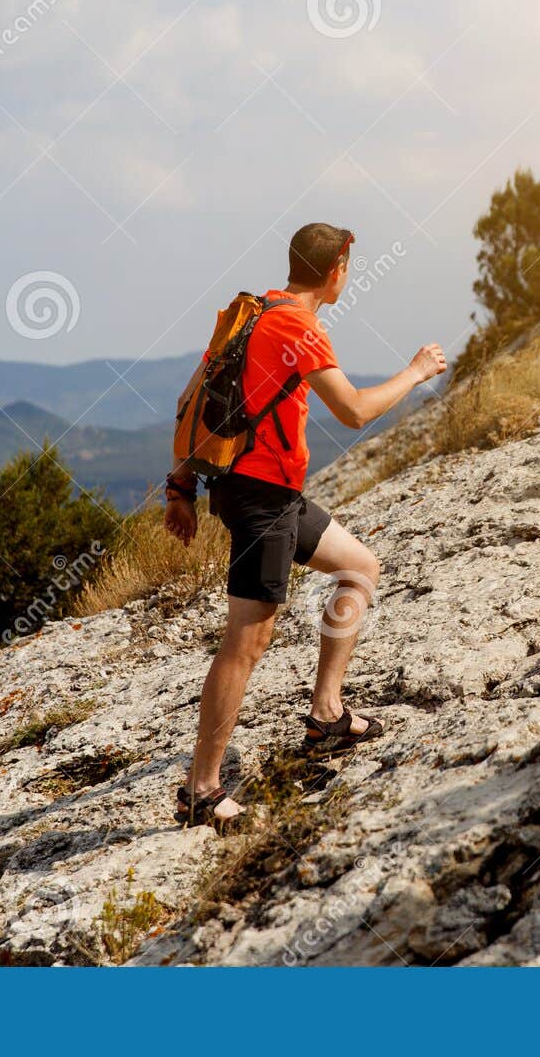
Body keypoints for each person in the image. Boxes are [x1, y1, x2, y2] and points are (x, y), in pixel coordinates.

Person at [165, 222, 447, 828]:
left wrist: (180, 486)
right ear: (338, 268)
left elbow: (192, 398)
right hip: (262, 500)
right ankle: (202, 790)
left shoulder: (250, 313)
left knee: (359, 568)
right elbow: (352, 411)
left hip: (268, 493)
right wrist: (416, 372)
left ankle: (326, 715)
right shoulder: (299, 326)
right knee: (248, 640)